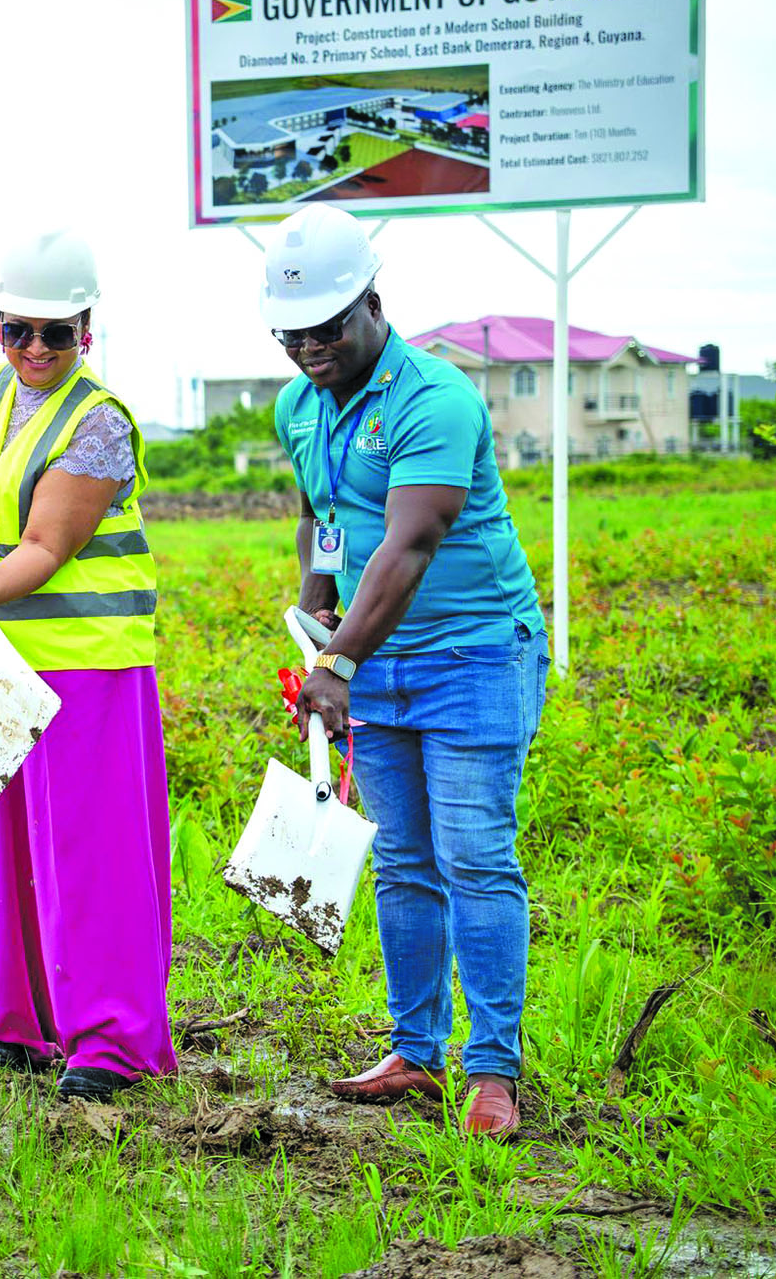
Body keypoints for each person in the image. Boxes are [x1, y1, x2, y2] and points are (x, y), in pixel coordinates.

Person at [259, 203, 547, 1137]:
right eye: (291, 335)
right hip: (375, 659)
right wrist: (316, 613)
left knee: (475, 858)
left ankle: (493, 1073)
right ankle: (417, 1054)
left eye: (328, 330)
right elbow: (325, 512)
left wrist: (340, 657)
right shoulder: (299, 404)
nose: (310, 349)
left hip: (473, 655)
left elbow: (411, 539)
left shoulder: (437, 399)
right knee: (406, 863)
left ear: (373, 304)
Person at [0, 228, 175, 1102]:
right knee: (13, 846)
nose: (34, 350)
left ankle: (110, 1041)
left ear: (86, 330)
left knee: (90, 854)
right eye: (17, 330)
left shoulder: (99, 422)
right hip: (3, 655)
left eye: (54, 334)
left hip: (87, 667)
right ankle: (18, 1023)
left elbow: (50, 543)